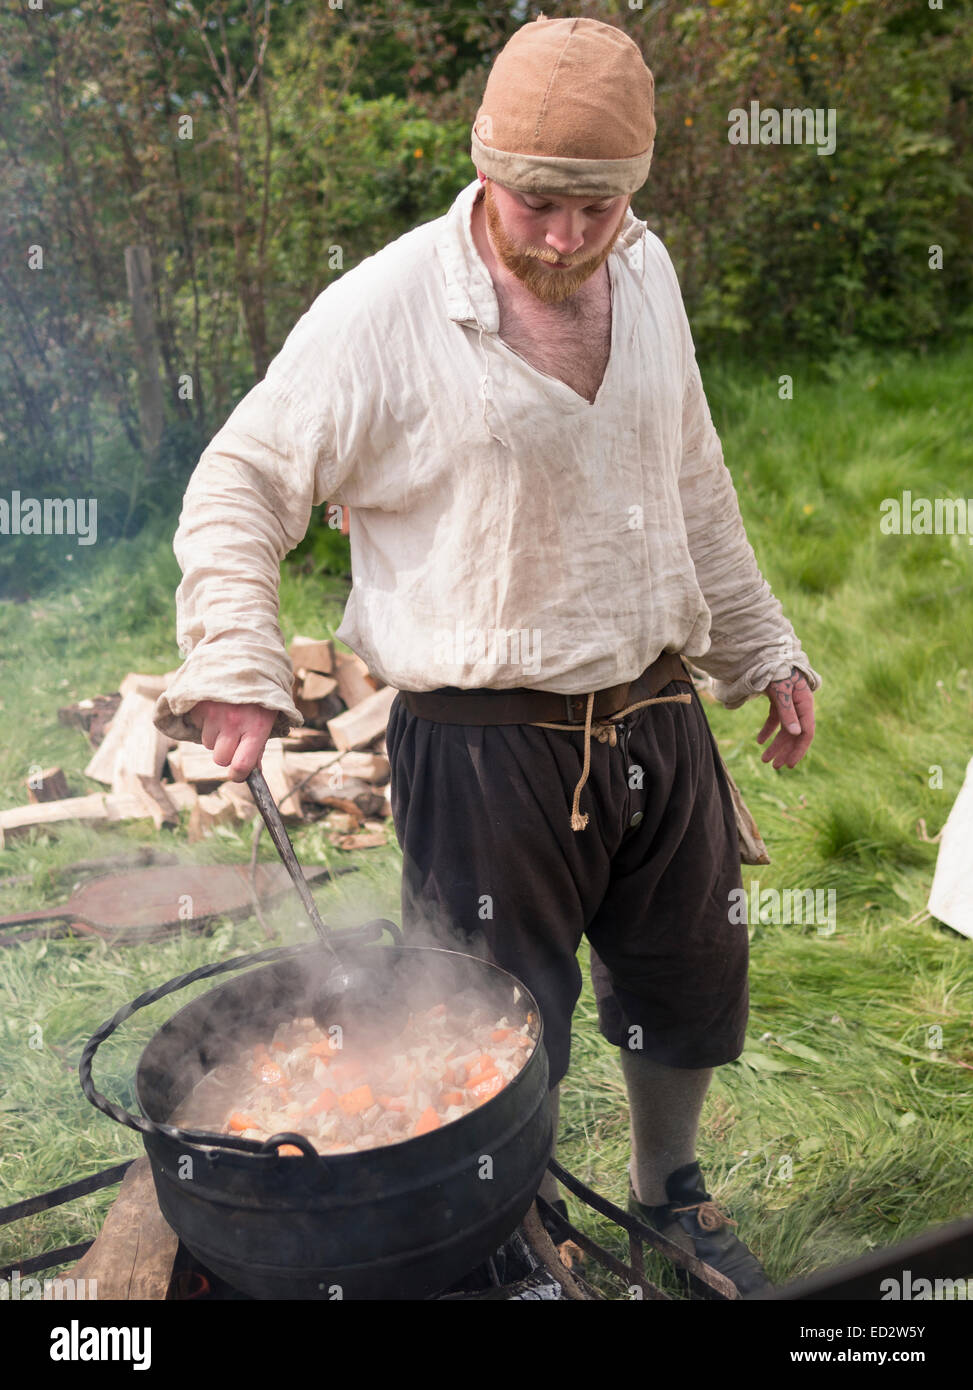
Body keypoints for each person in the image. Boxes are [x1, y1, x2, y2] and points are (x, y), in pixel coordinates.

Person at [154, 15, 820, 1297]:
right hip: (482, 747)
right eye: (537, 205)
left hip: (655, 714)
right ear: (482, 166)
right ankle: (508, 1237)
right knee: (492, 1021)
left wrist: (761, 647)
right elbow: (242, 479)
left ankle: (667, 1191)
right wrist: (236, 654)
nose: (567, 238)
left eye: (598, 207)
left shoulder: (650, 274)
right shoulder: (388, 310)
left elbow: (694, 477)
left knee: (686, 980)